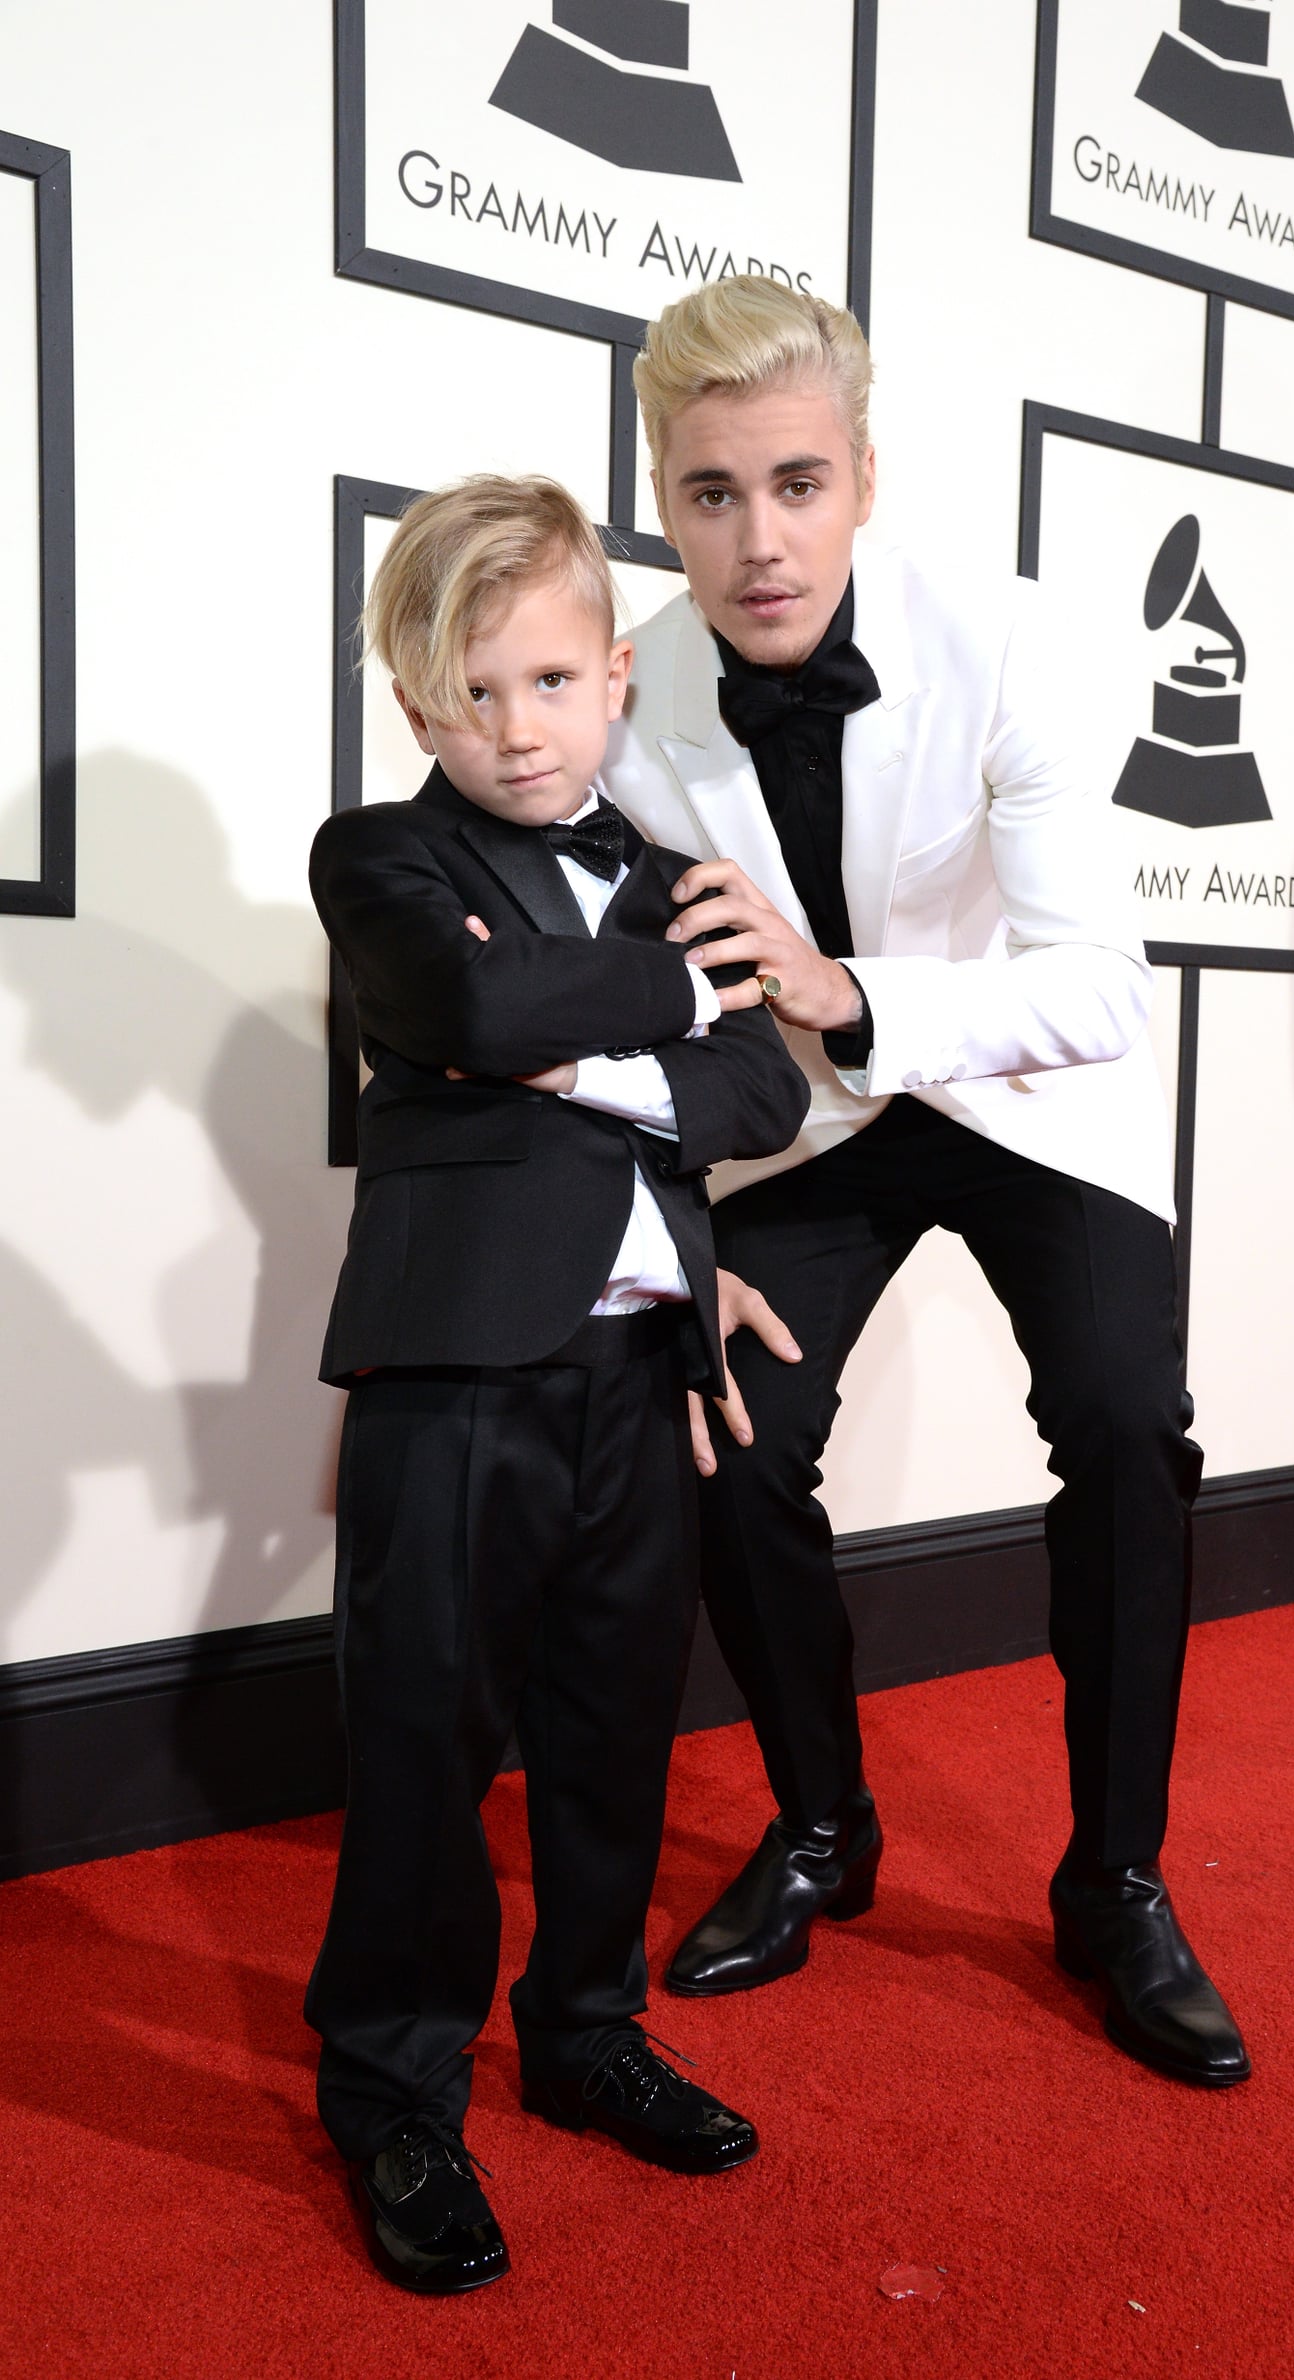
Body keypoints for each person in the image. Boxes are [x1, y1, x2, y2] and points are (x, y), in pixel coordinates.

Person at [600, 278, 1250, 2090]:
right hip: (813, 1117)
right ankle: (823, 1825)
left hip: (1030, 1089)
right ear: (666, 494)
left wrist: (857, 992)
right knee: (726, 1426)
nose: (759, 540)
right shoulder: (636, 701)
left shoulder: (1013, 641)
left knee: (1129, 1422)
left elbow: (1101, 981)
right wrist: (679, 1207)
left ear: (864, 479)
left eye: (797, 484)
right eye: (713, 494)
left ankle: (1115, 1878)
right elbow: (659, 1015)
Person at [304, 474, 811, 2295]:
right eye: (466, 695)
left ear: (612, 676)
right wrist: (661, 1009)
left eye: (543, 682)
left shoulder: (687, 880)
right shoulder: (381, 857)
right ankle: (389, 2088)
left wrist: (578, 1033)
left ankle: (585, 2026)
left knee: (611, 1724)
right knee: (427, 1735)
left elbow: (771, 1100)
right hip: (454, 1368)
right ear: (414, 706)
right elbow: (458, 1019)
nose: (511, 730)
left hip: (638, 1373)